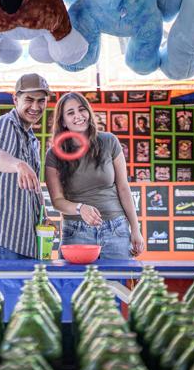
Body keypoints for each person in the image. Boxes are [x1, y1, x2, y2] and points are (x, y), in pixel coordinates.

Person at [45, 92, 144, 259]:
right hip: (77, 233)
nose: (78, 116)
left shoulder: (109, 141)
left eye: (82, 109)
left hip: (116, 230)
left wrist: (135, 229)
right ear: (63, 121)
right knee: (76, 285)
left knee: (117, 285)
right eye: (70, 113)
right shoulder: (54, 154)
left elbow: (123, 188)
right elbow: (57, 201)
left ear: (88, 112)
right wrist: (80, 208)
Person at [0, 74, 50, 259]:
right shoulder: (6, 124)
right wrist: (18, 164)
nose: (35, 107)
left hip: (24, 239)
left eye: (41, 101)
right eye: (29, 100)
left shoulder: (31, 137)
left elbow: (30, 184)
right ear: (15, 99)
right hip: (3, 238)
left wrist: (42, 212)